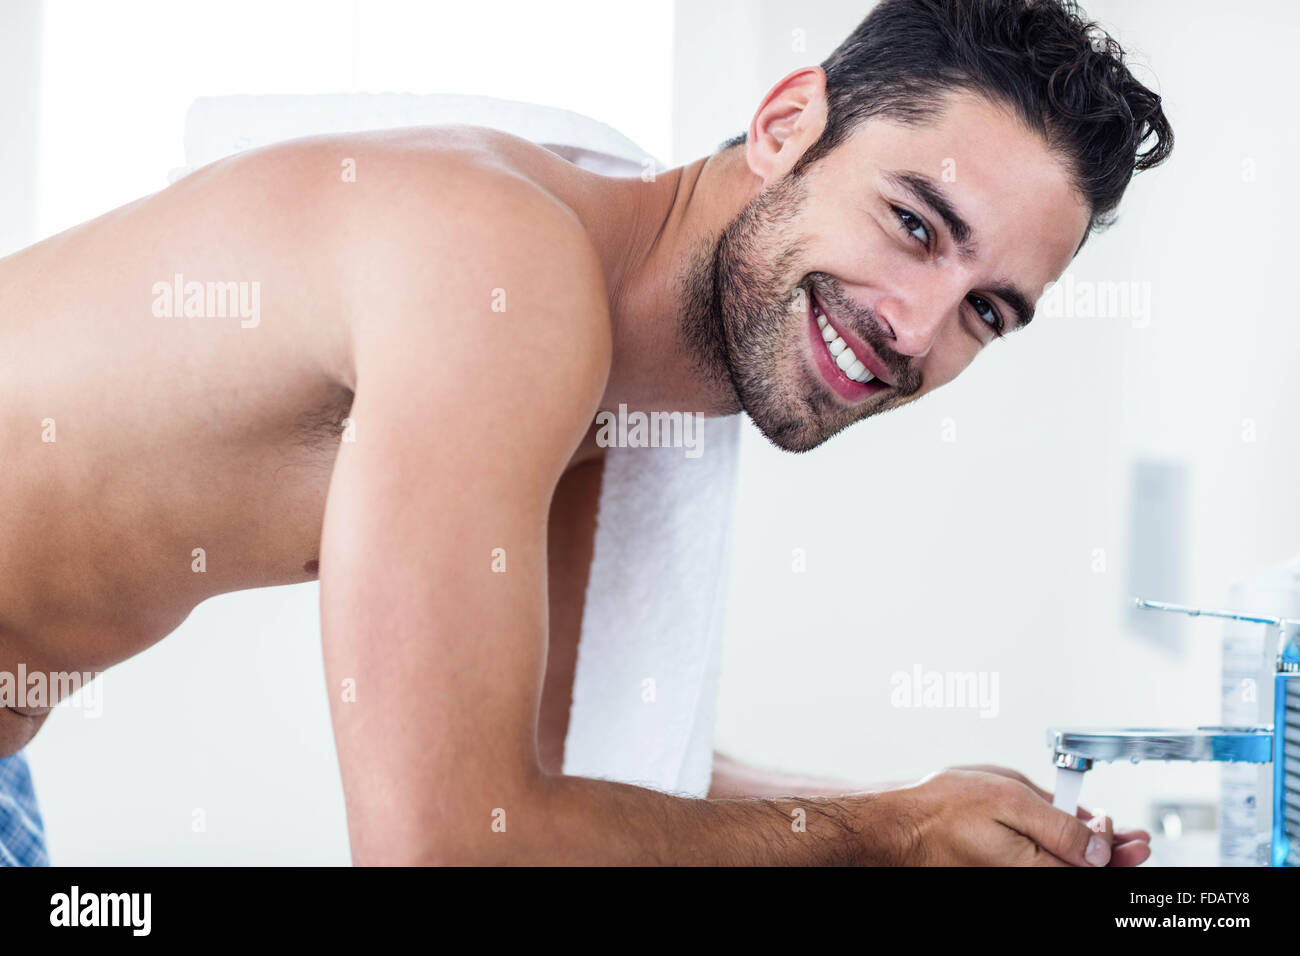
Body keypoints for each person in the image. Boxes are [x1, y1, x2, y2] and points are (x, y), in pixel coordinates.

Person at [0, 0, 1171, 864]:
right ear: (783, 124)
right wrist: (880, 831)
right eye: (914, 223)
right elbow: (443, 843)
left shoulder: (606, 377)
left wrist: (939, 816)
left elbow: (584, 776)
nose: (916, 328)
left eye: (985, 310)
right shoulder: (507, 276)